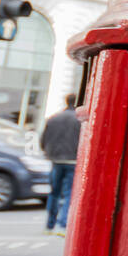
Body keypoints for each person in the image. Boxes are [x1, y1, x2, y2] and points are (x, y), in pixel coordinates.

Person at [41, 94, 82, 235]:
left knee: (54, 193)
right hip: (73, 161)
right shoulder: (79, 120)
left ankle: (49, 225)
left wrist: (49, 153)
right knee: (69, 193)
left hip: (56, 160)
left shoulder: (53, 119)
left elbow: (43, 140)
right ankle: (63, 225)